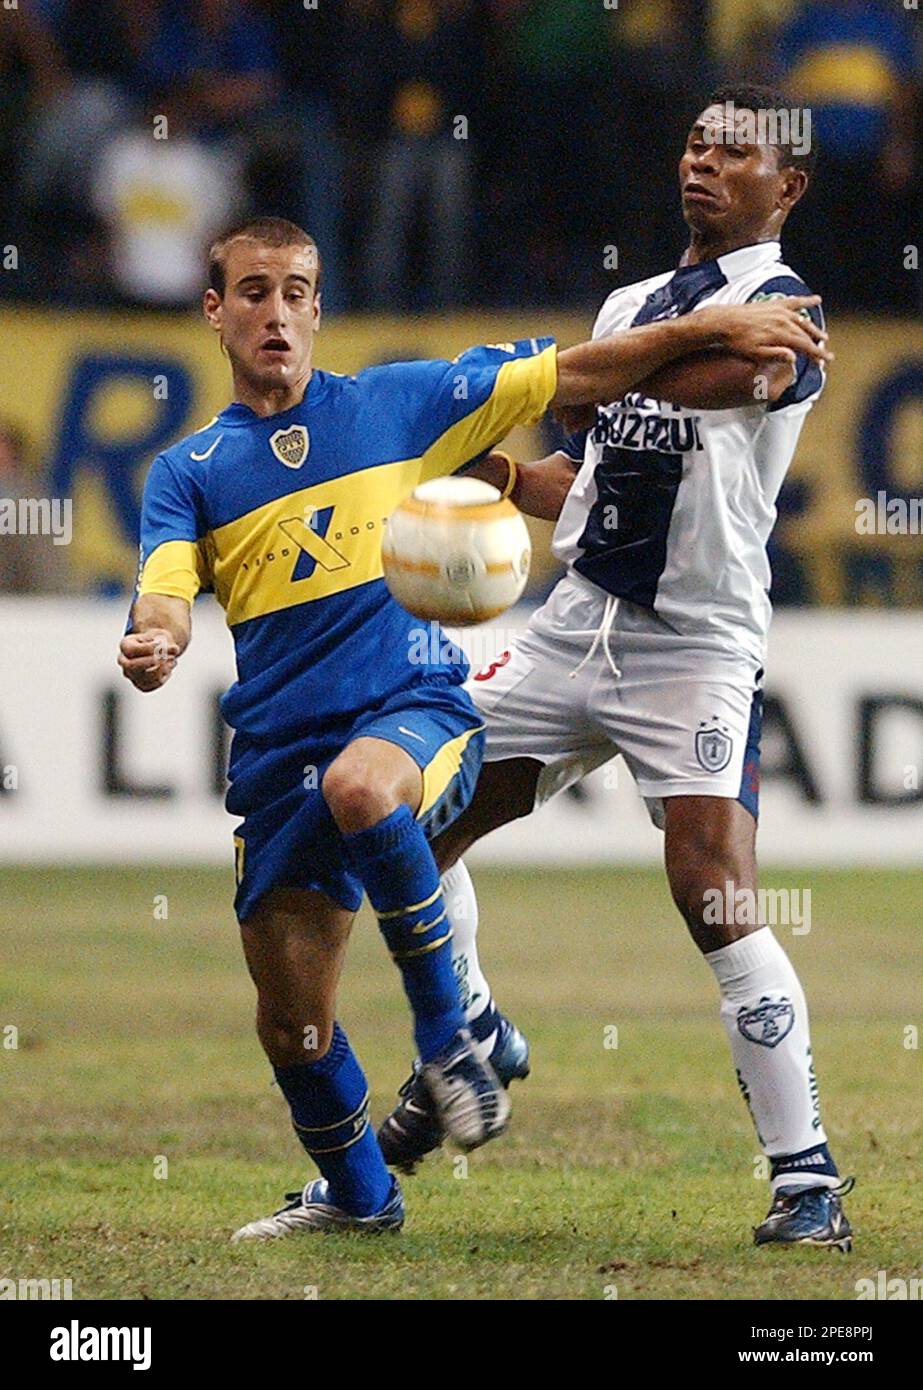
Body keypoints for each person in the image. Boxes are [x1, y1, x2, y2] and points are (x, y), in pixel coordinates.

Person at [118, 214, 826, 1239]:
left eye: (296, 292)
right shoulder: (187, 471)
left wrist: (699, 327)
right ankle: (367, 1192)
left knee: (373, 795)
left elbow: (572, 373)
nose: (277, 312)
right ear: (214, 310)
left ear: (319, 307)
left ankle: (456, 1038)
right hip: (282, 753)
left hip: (418, 710)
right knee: (293, 1026)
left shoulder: (401, 399)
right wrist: (155, 638)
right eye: (254, 292)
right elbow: (164, 591)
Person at [379, 86, 855, 1252]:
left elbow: (712, 388)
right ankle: (476, 1028)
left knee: (712, 890)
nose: (701, 160)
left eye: (732, 150)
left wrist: (605, 367)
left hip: (694, 643)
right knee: (407, 813)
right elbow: (575, 478)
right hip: (570, 623)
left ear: (783, 188)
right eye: (693, 140)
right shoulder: (634, 303)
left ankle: (806, 1180)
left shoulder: (787, 308)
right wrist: (486, 470)